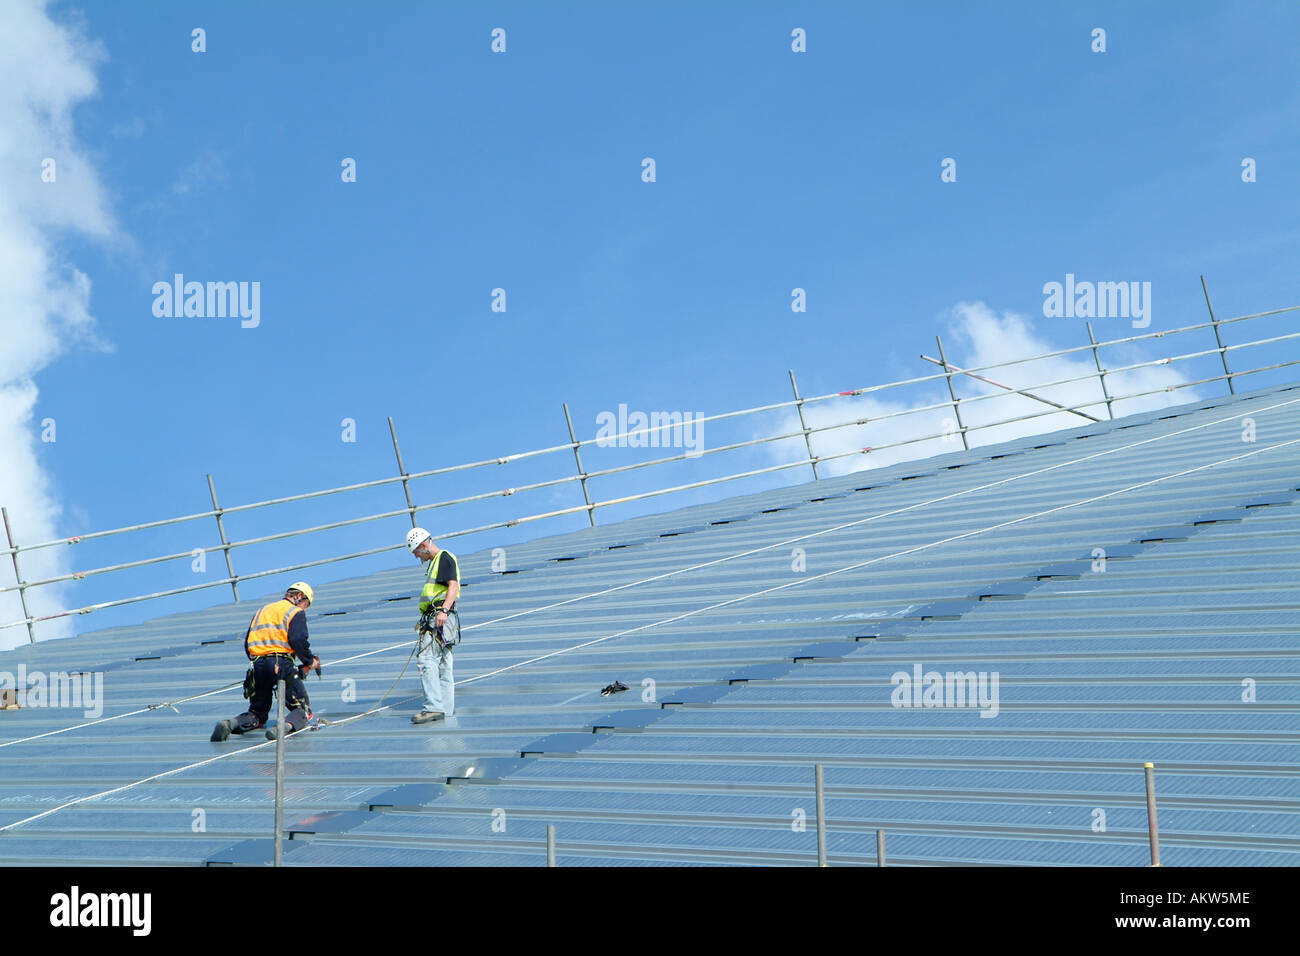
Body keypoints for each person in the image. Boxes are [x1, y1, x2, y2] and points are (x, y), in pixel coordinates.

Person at [211, 582, 321, 741]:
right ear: (298, 596)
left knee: (257, 714)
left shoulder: (263, 610)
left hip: (257, 665)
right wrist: (310, 661)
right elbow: (298, 640)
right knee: (303, 710)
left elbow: (247, 642)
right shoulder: (295, 612)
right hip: (281, 663)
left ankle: (229, 724)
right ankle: (283, 727)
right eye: (306, 604)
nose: (304, 608)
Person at [406, 527, 459, 724]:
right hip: (444, 618)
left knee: (426, 659)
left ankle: (433, 707)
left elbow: (453, 586)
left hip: (440, 617)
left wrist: (443, 610)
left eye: (416, 552)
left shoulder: (444, 558)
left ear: (423, 544)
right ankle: (446, 710)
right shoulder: (438, 562)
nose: (417, 557)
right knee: (444, 665)